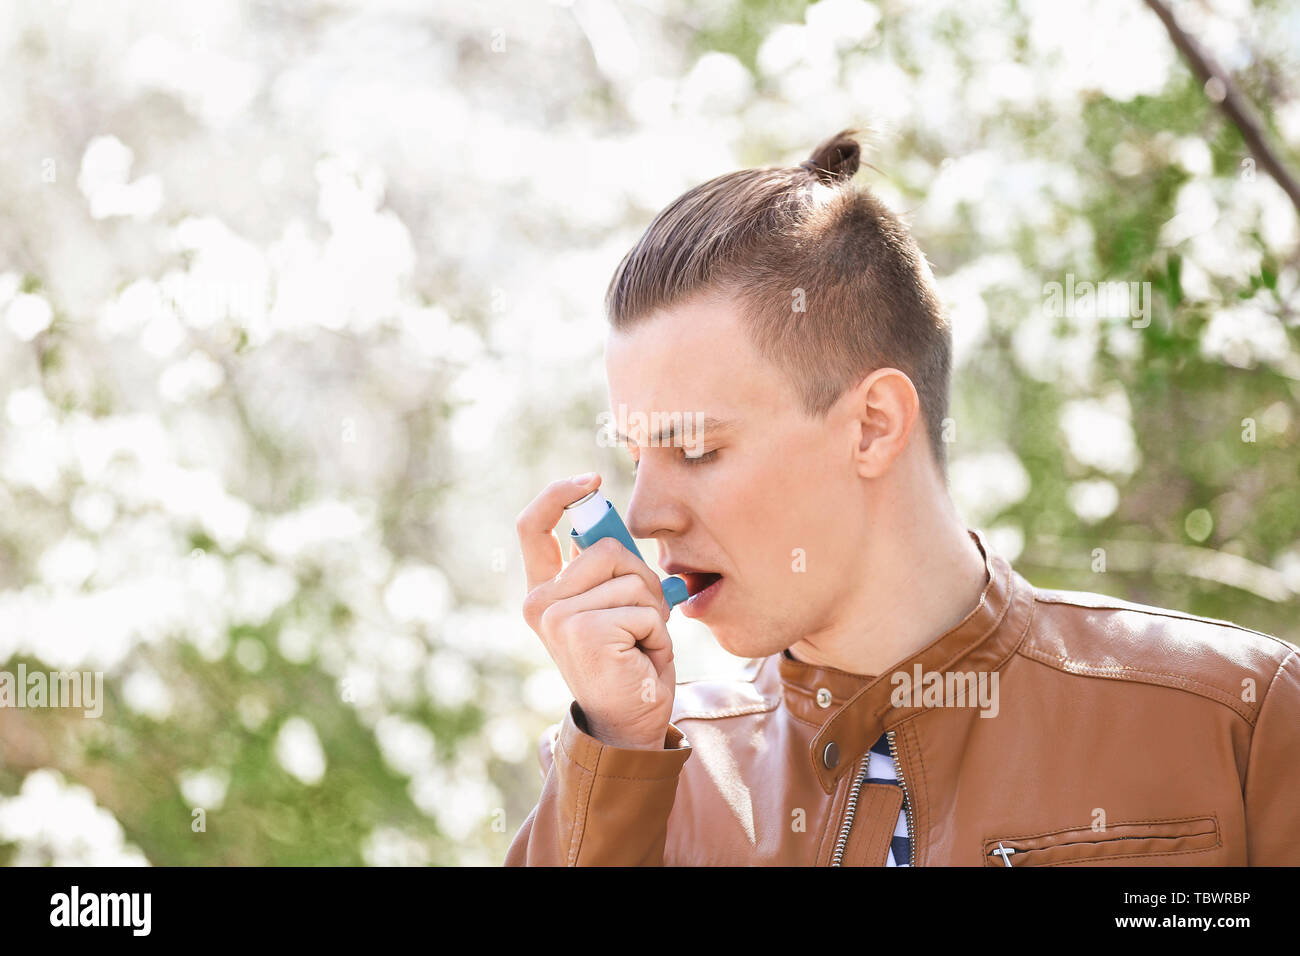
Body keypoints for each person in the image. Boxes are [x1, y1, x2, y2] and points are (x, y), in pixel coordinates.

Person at [506, 130, 1300, 866]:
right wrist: (614, 754)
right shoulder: (635, 779)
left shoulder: (1236, 719)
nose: (645, 515)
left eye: (695, 448)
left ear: (873, 425)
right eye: (637, 456)